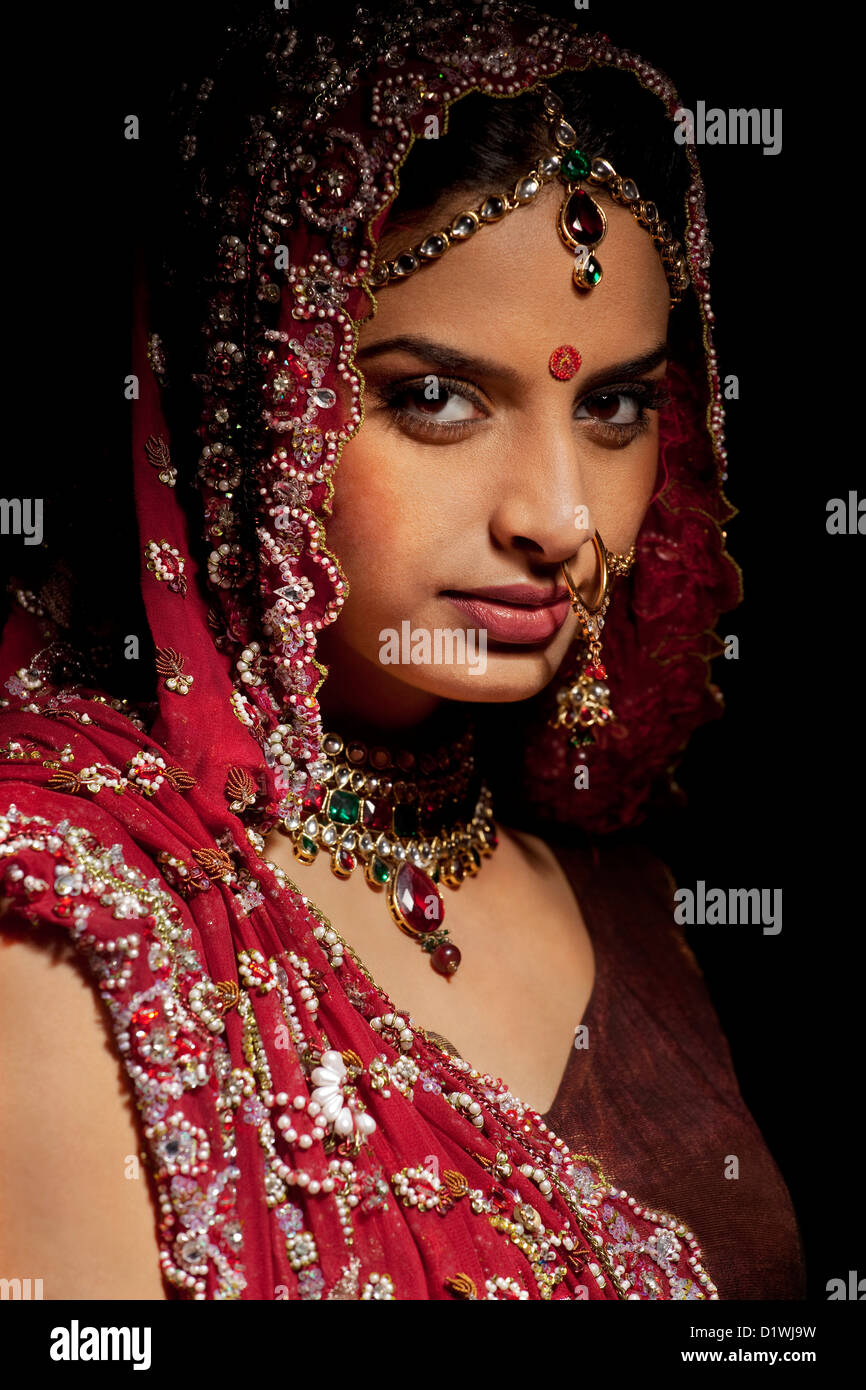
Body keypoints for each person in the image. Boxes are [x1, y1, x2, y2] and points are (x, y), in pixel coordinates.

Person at [0, 1, 804, 1300]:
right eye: (433, 397)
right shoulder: (76, 917)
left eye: (611, 407)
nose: (553, 516)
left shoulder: (637, 902)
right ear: (252, 396)